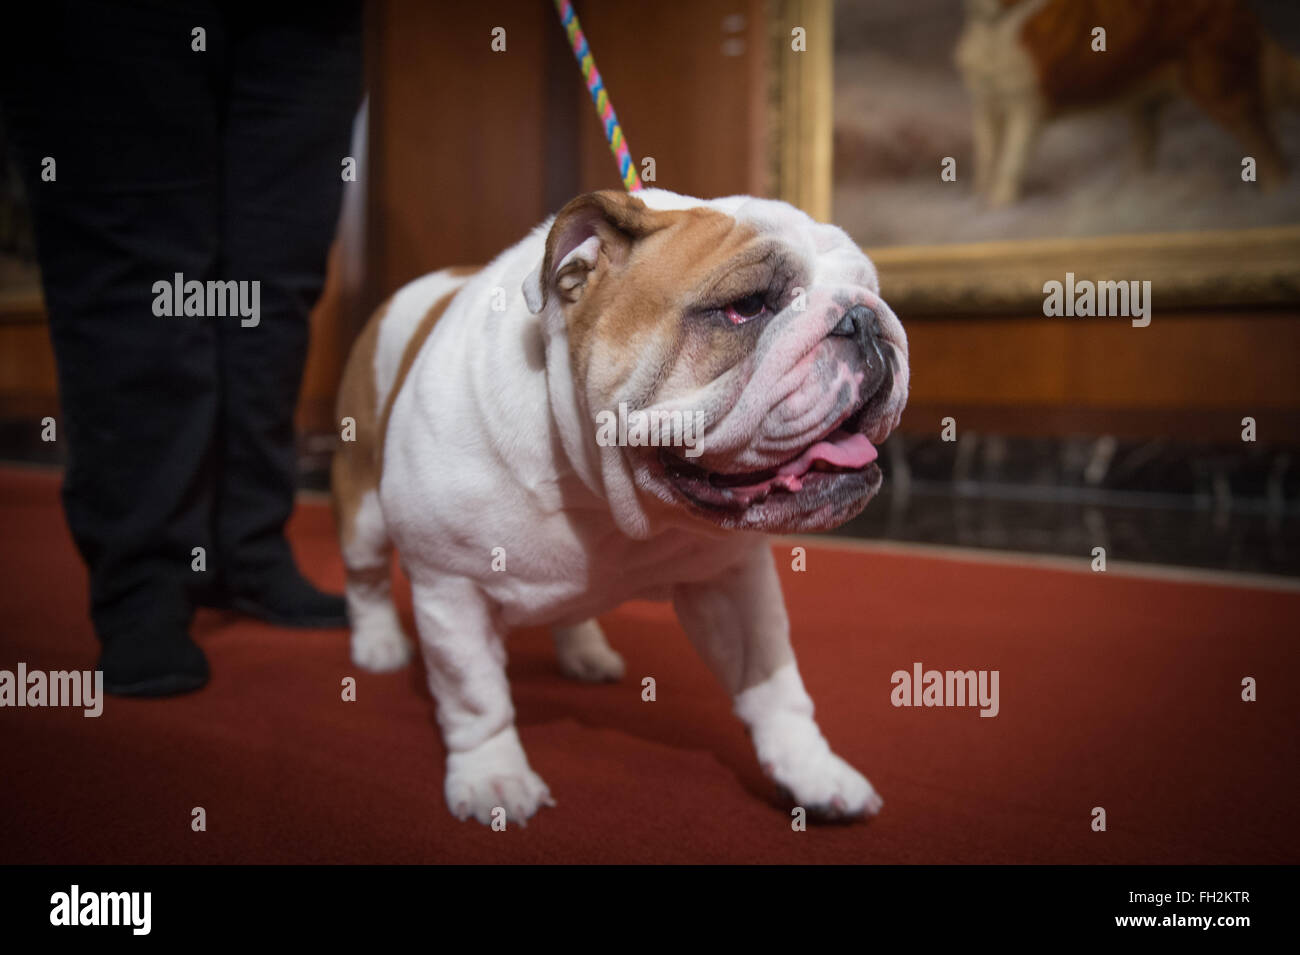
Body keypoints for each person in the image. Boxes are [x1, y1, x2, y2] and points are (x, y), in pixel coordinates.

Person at [0, 1, 363, 695]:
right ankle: (145, 578)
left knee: (272, 281)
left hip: (308, 23)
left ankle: (245, 546)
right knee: (136, 271)